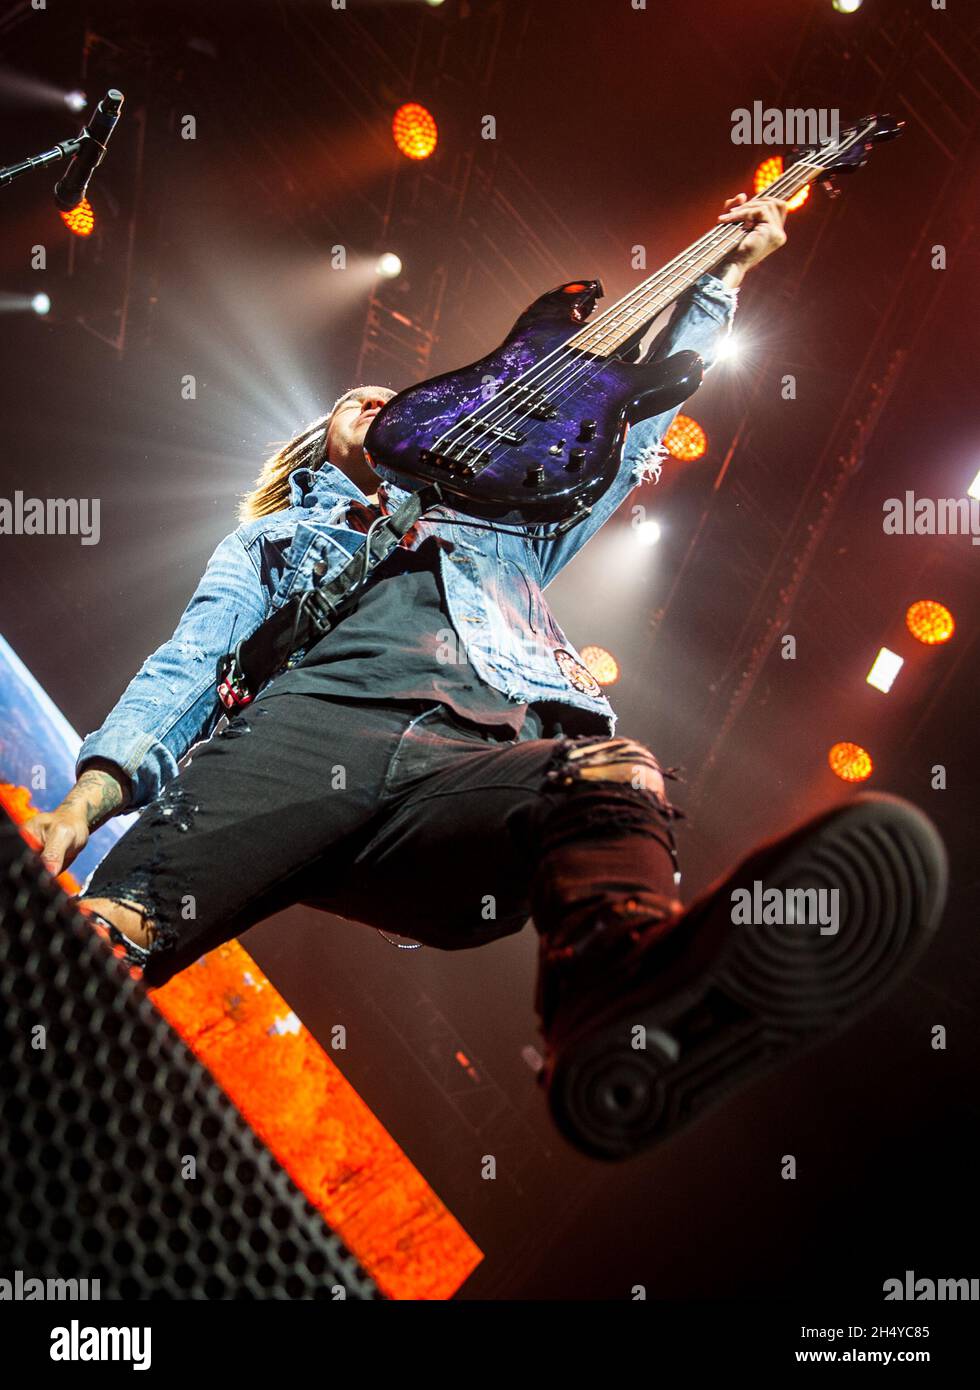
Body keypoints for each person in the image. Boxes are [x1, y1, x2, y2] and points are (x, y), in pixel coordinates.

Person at [25, 194, 947, 1160]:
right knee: (105, 943)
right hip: (310, 733)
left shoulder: (512, 524)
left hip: (469, 759)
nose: (384, 401)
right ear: (314, 445)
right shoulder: (276, 537)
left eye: (400, 397)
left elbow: (629, 434)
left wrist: (723, 274)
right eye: (360, 400)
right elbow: (192, 661)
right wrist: (89, 802)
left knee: (611, 773)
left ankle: (610, 994)